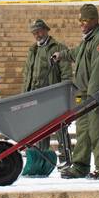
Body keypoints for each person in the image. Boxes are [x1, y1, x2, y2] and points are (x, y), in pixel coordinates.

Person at [58, 3, 99, 180]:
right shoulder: (88, 39)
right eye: (80, 20)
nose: (81, 23)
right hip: (83, 95)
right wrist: (61, 55)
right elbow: (77, 53)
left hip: (95, 97)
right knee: (83, 131)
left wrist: (94, 96)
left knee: (98, 132)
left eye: (85, 20)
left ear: (95, 20)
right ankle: (80, 165)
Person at [23, 18, 72, 166]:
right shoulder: (33, 50)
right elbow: (27, 75)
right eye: (34, 33)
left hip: (53, 97)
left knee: (60, 128)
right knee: (40, 129)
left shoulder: (58, 48)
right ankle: (43, 159)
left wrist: (64, 94)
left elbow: (66, 74)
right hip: (34, 96)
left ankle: (66, 158)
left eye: (38, 31)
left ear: (46, 30)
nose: (37, 35)